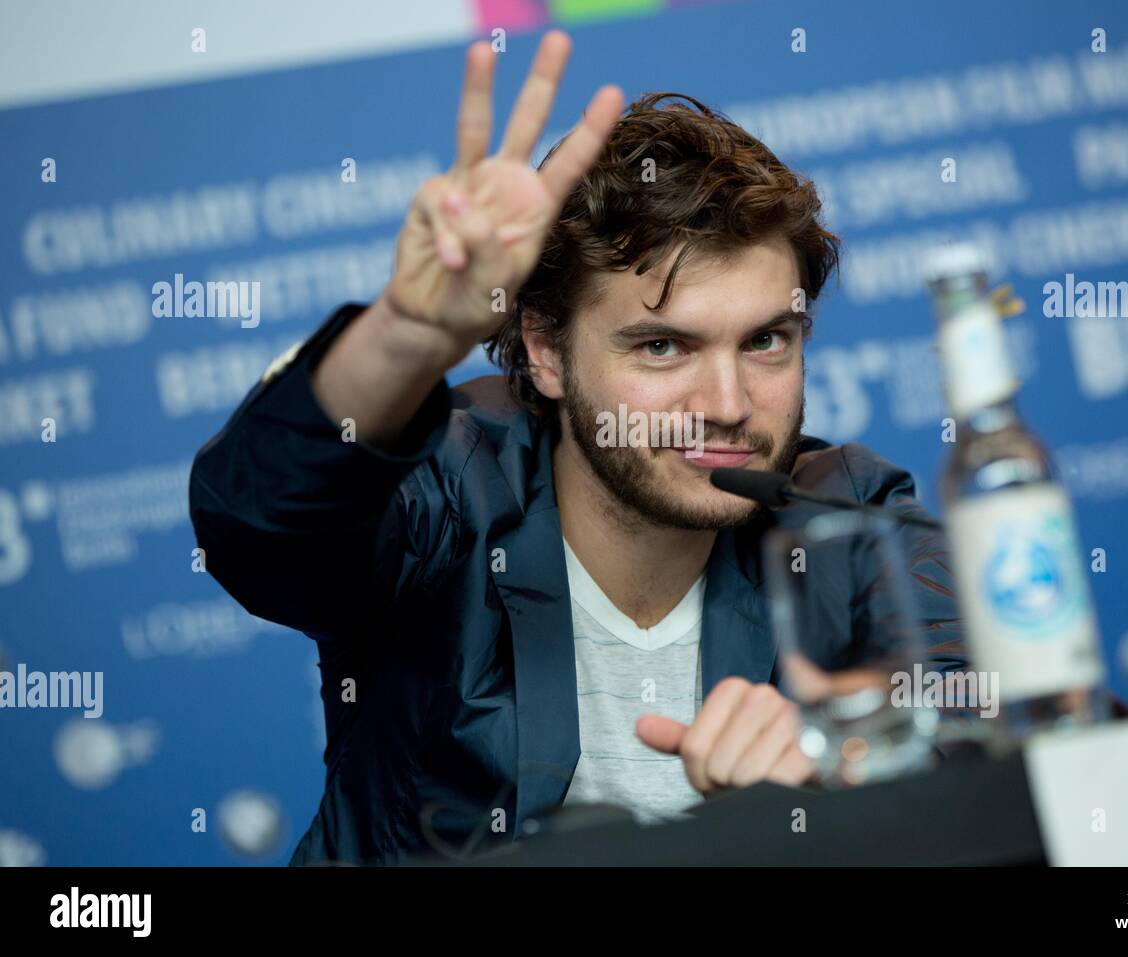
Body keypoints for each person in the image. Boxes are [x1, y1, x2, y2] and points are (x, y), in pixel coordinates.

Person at [189, 30, 965, 865]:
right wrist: (407, 337)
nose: (729, 406)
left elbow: (997, 713)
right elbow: (258, 523)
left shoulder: (843, 510)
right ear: (548, 351)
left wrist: (844, 756)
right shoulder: (445, 490)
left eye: (767, 340)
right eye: (662, 347)